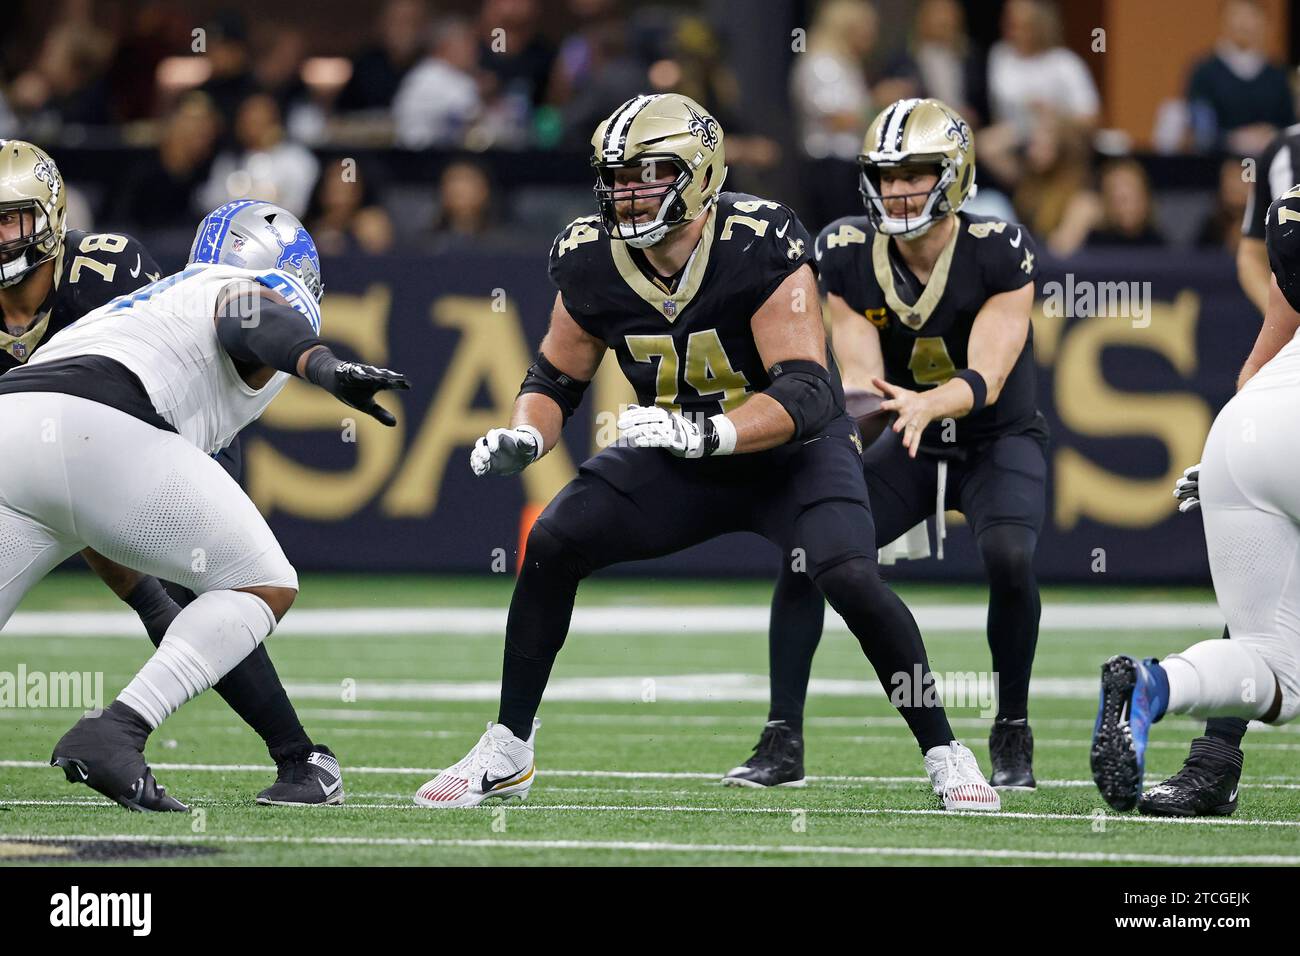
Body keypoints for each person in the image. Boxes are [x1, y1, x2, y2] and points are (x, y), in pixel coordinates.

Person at [411, 93, 1000, 813]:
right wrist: (528, 433)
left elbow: (811, 391)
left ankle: (945, 749)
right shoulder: (591, 256)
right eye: (617, 176)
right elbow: (555, 377)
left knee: (847, 574)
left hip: (793, 454)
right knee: (555, 539)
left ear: (699, 174)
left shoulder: (759, 240)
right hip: (682, 452)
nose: (627, 193)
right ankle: (508, 746)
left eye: (649, 174)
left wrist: (712, 432)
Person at [0, 196, 409, 810]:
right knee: (264, 583)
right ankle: (120, 729)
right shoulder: (233, 286)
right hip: (100, 422)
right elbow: (245, 313)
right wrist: (320, 365)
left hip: (14, 422)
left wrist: (152, 601)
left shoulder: (141, 308)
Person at [725, 98, 1047, 791]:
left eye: (918, 172)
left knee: (1010, 556)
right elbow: (864, 374)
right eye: (887, 173)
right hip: (910, 434)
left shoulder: (998, 248)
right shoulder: (845, 250)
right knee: (809, 550)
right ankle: (783, 737)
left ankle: (1012, 726)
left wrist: (931, 400)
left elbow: (988, 373)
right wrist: (842, 422)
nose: (900, 188)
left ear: (954, 174)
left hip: (994, 436)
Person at [1092, 183, 1300, 813]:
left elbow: (1266, 360)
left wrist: (1229, 463)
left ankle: (1155, 686)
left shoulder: (1292, 204)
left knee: (1277, 670)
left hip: (1246, 428)